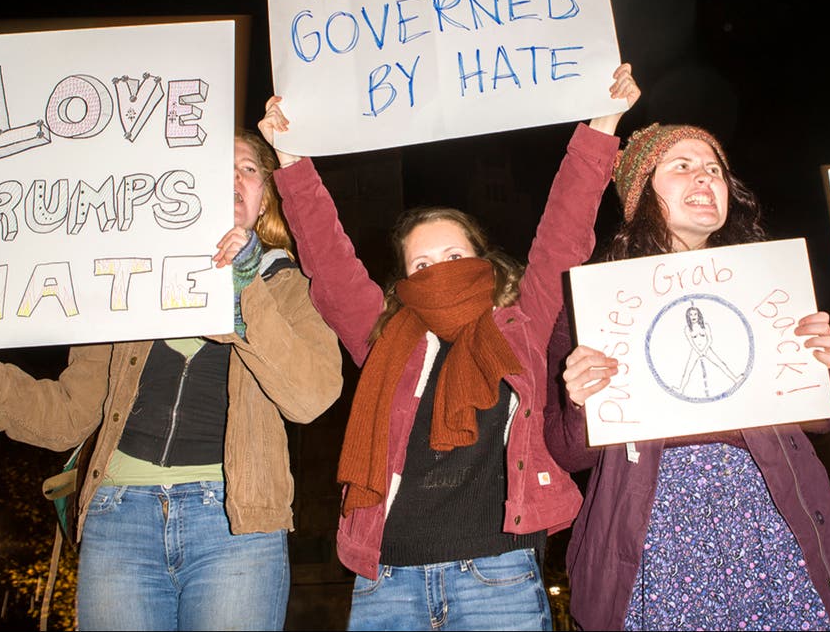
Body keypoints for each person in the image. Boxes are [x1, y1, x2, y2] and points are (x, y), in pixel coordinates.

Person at [0, 127, 344, 632]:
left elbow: (312, 397)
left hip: (237, 527)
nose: (233, 176)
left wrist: (244, 291)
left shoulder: (292, 287)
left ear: (264, 202)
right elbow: (66, 416)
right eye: (215, 167)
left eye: (249, 169)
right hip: (121, 519)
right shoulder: (121, 282)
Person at [258, 63, 639, 632]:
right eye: (423, 263)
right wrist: (291, 161)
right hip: (387, 581)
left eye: (454, 257)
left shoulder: (522, 326)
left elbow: (563, 232)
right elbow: (331, 265)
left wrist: (602, 123)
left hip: (498, 578)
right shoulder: (385, 334)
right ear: (404, 278)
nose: (440, 271)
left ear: (482, 262)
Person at [544, 122, 830, 631]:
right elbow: (568, 452)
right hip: (655, 526)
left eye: (714, 169)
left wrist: (816, 361)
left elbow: (822, 422)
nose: (704, 178)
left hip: (769, 512)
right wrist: (580, 399)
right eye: (682, 166)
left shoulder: (767, 286)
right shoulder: (594, 301)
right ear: (641, 193)